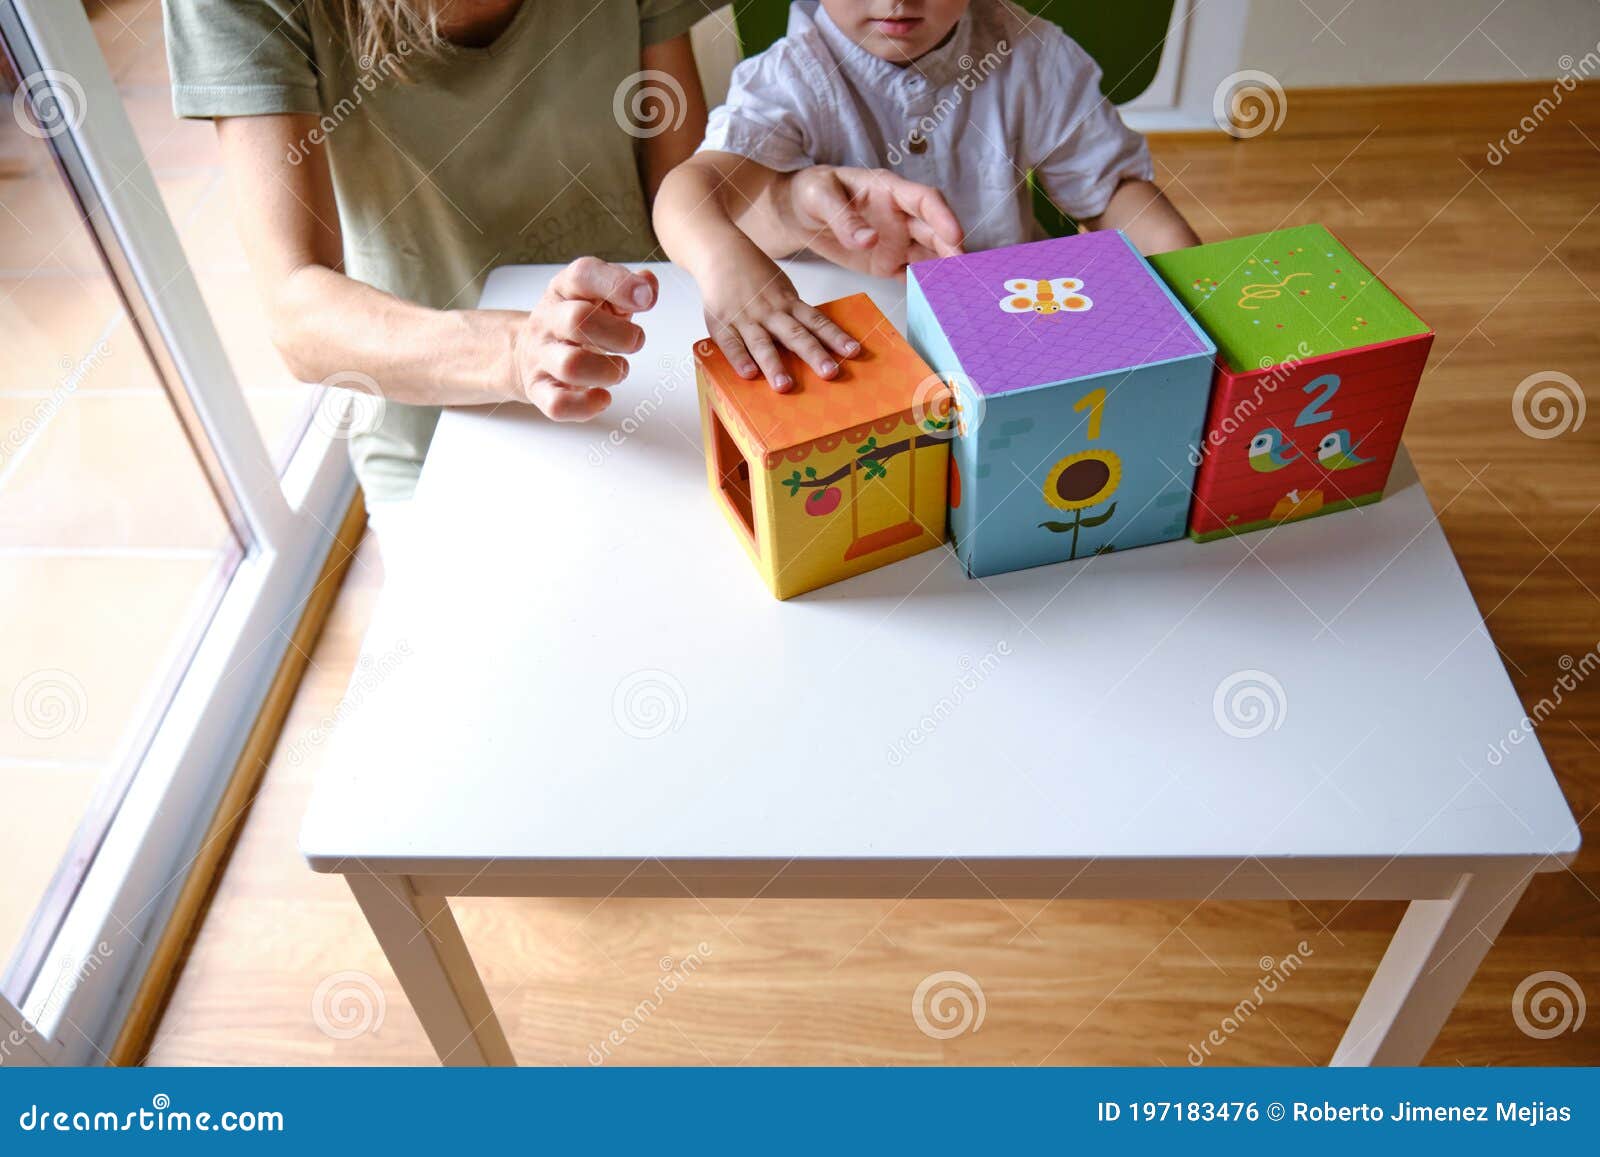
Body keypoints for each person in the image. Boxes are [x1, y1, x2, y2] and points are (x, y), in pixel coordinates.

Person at [164, 0, 716, 542]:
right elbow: (296, 316)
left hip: (655, 392)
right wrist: (518, 353)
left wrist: (775, 206)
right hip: (433, 443)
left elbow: (681, 192)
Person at [654, 0, 1201, 390]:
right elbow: (688, 192)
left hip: (1008, 335)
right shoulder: (788, 77)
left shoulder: (1031, 51)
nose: (896, 1)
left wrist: (1192, 278)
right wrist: (724, 259)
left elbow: (1114, 192)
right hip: (851, 354)